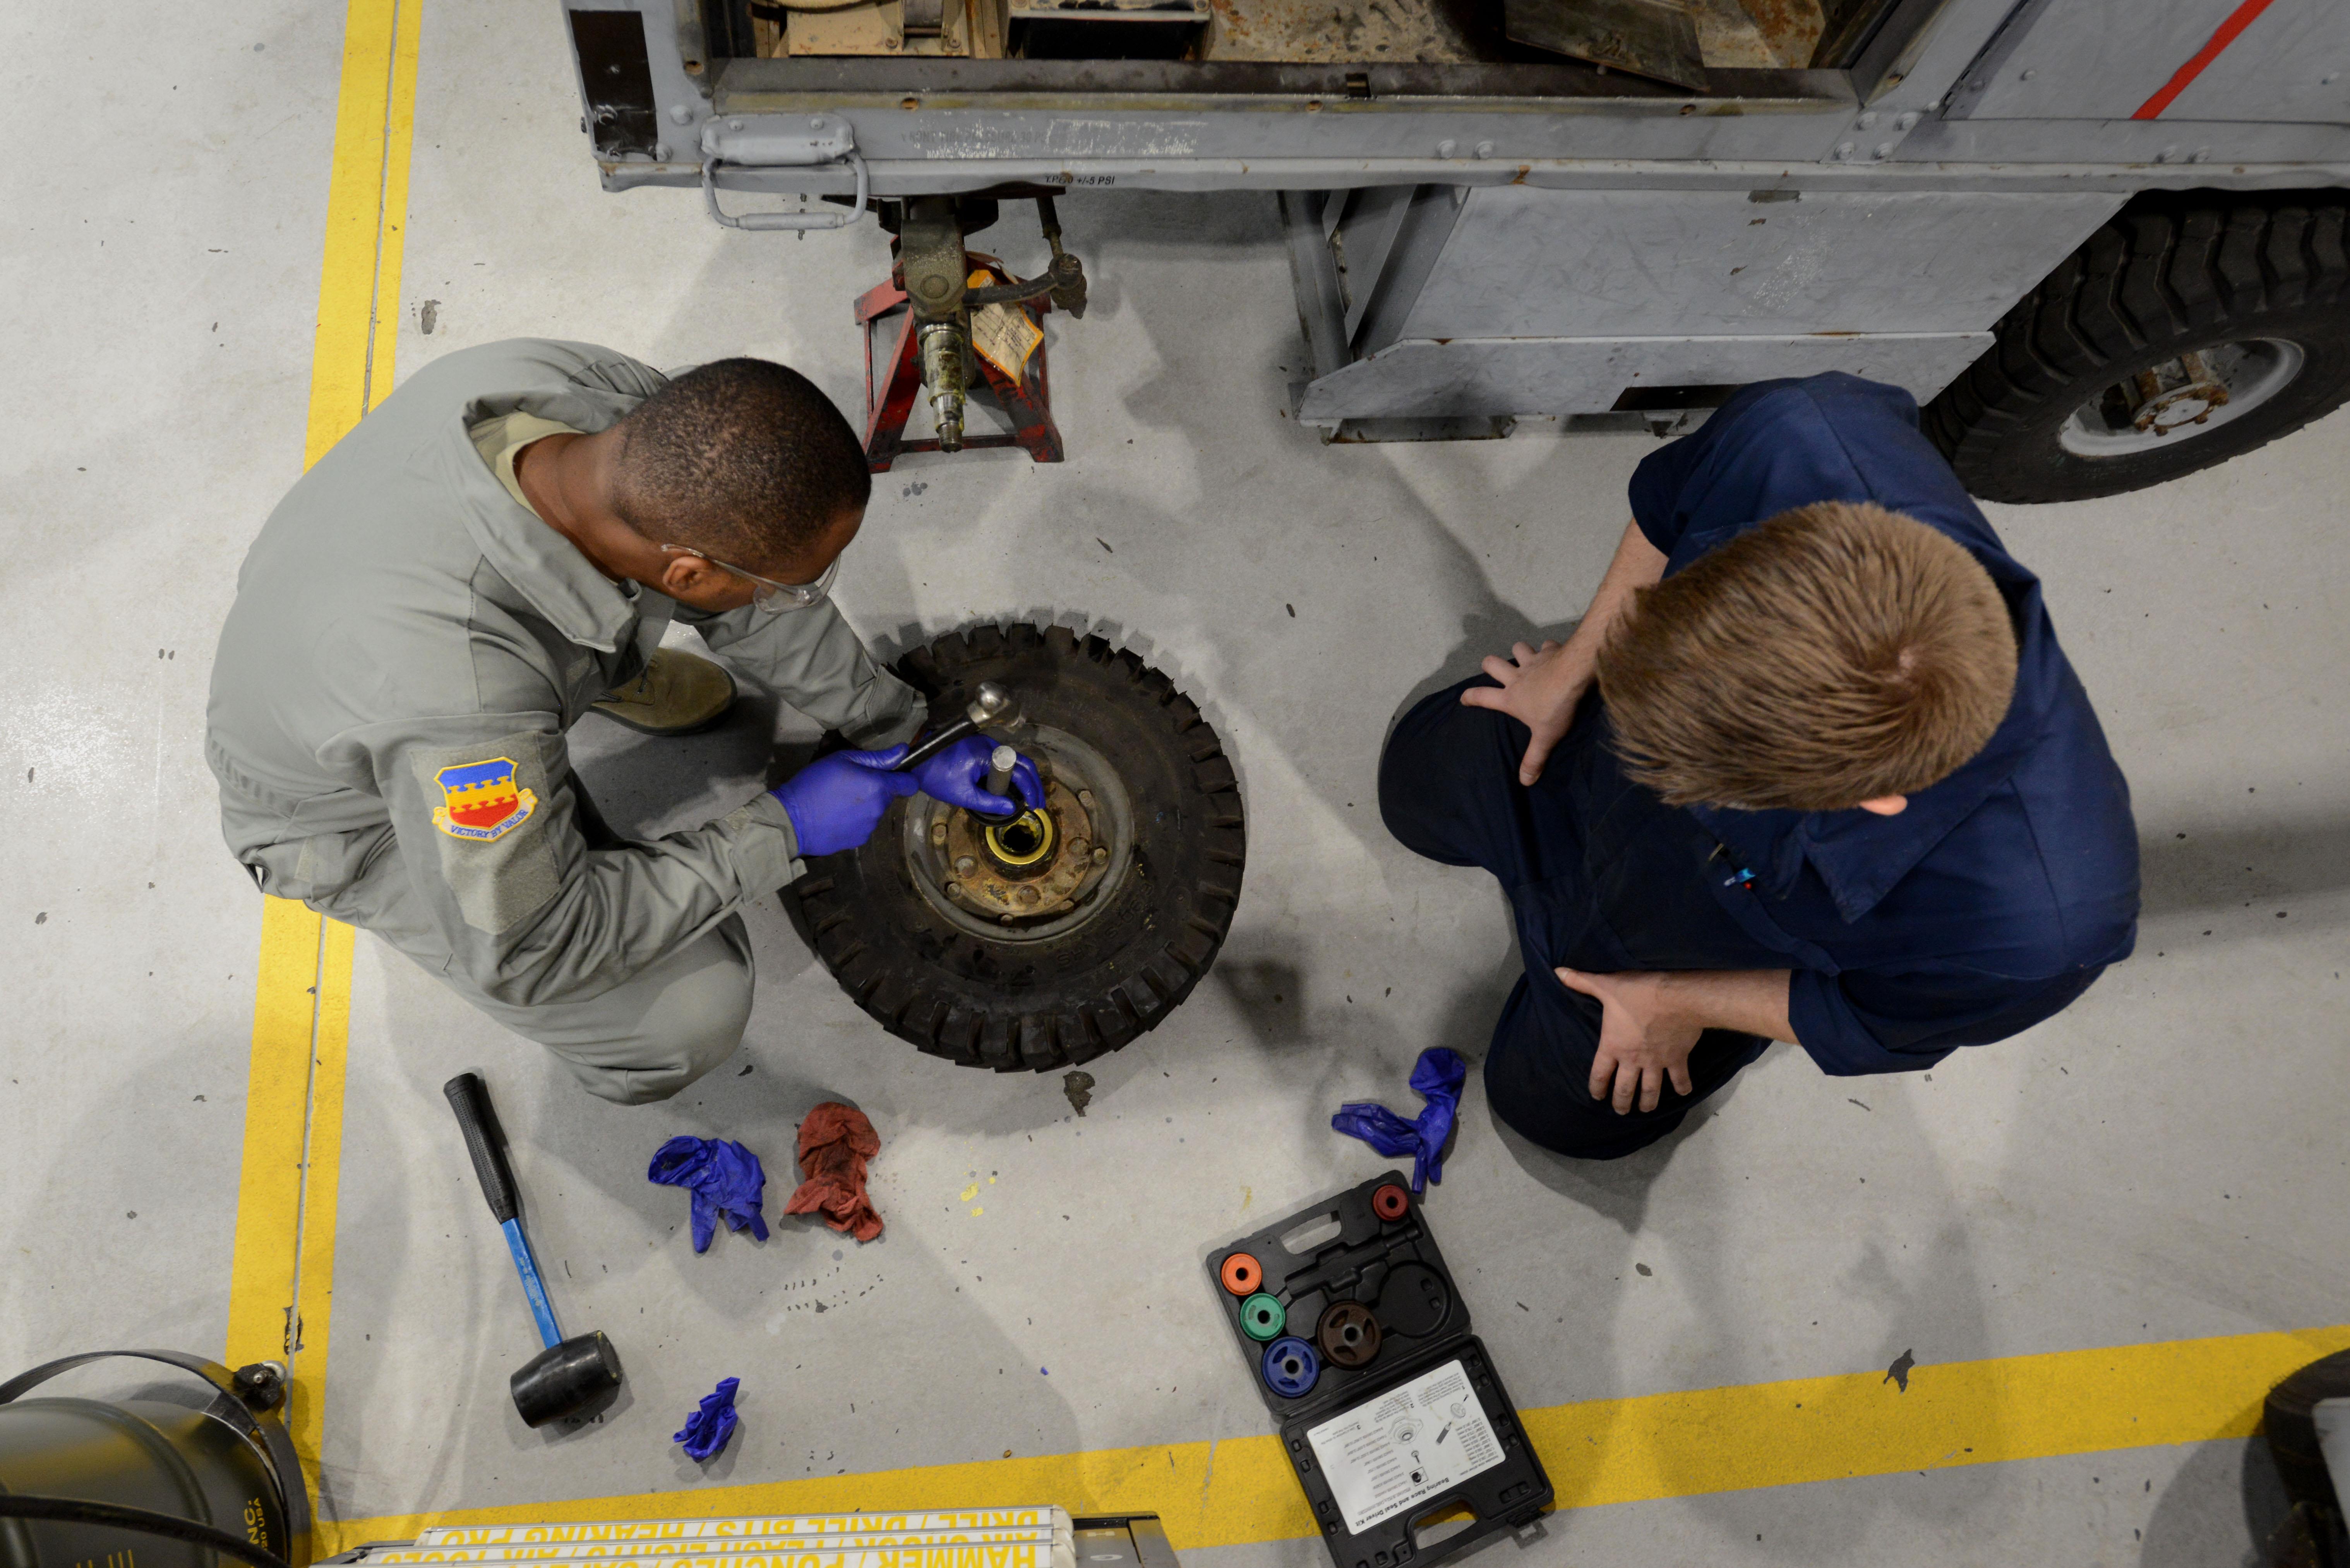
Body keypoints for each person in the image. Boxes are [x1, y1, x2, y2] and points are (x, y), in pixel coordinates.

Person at [207, 339, 1037, 1104]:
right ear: (686, 571)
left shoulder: (596, 400)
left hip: (345, 598)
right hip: (340, 811)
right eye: (797, 585)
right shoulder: (465, 709)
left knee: (608, 636)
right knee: (690, 1011)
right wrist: (781, 827)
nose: (803, 598)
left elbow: (747, 598)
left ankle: (589, 667)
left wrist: (898, 727)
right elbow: (533, 948)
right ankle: (623, 1053)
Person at [1378, 372, 2140, 1160]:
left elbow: (1870, 1021)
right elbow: (1672, 506)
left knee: (1550, 1114)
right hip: (1586, 762)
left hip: (1691, 950)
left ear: (1877, 800)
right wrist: (1575, 671)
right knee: (1410, 787)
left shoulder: (2038, 925)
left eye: (1696, 778)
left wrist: (1672, 1002)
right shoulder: (1808, 439)